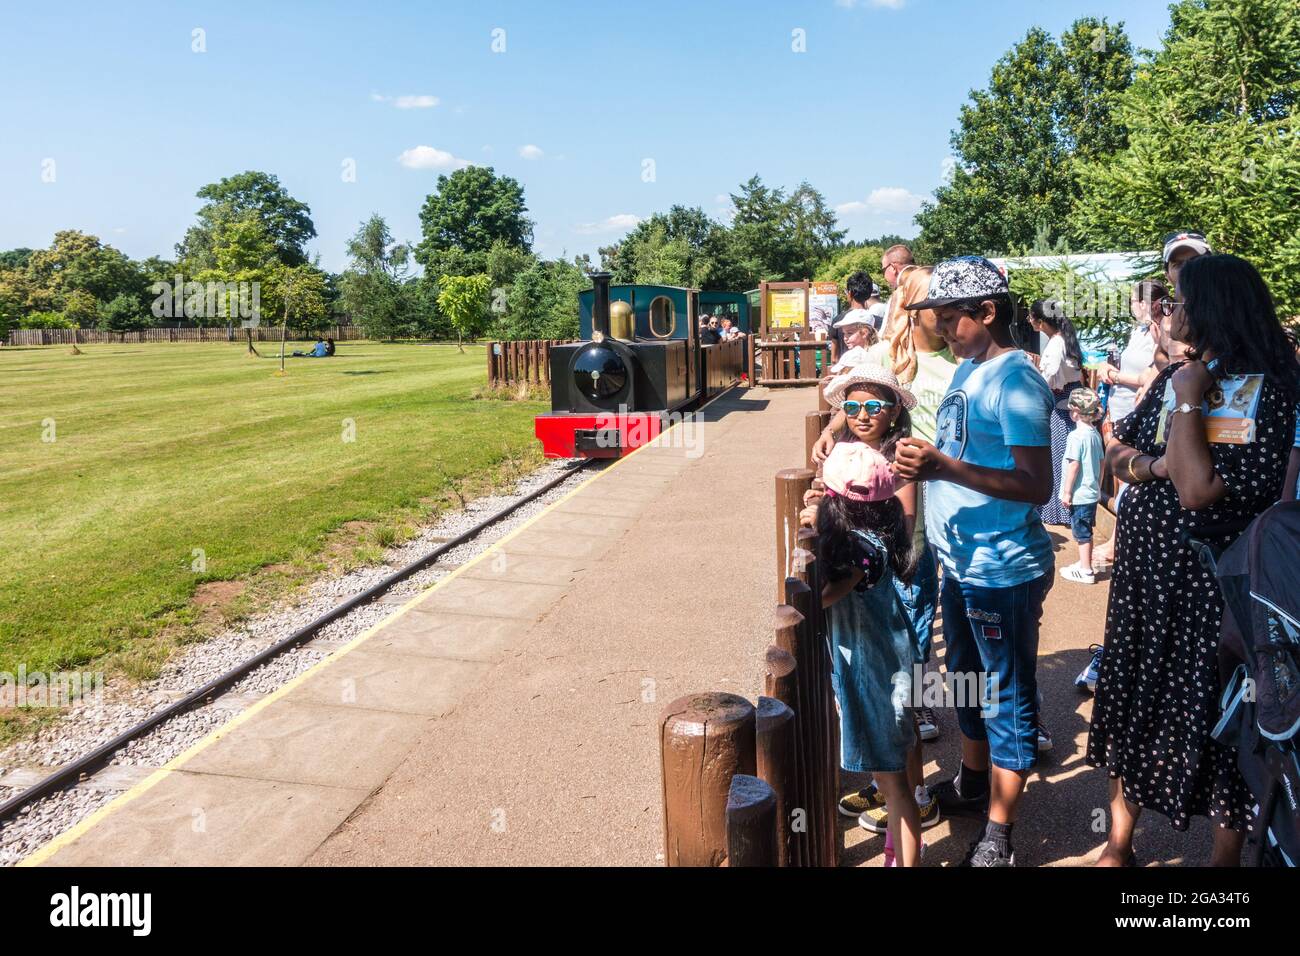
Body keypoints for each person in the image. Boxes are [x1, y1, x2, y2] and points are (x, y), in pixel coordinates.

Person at [1086, 253, 1300, 867]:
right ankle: (1116, 846)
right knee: (1132, 695)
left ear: (1213, 308)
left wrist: (1185, 405)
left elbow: (1198, 491)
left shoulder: (1264, 393)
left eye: (1178, 302)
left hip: (1216, 589)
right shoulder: (1182, 376)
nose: (1168, 312)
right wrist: (1153, 463)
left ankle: (1222, 866)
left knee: (1225, 720)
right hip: (1147, 579)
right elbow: (1116, 452)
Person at [891, 255, 1056, 867]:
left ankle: (1000, 836)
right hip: (963, 563)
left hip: (1002, 567)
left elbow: (1036, 484)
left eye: (948, 317)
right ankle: (973, 780)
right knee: (964, 678)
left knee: (1005, 696)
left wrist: (942, 467)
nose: (937, 327)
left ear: (986, 312)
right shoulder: (969, 368)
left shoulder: (1016, 379)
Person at [801, 383, 924, 865]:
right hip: (887, 661)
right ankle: (896, 848)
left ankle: (905, 855)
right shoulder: (881, 530)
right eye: (851, 407)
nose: (860, 414)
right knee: (896, 779)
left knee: (896, 786)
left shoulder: (856, 555)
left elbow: (821, 598)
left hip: (879, 675)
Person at [1093, 281, 1166, 567]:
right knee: (1124, 477)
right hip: (1122, 409)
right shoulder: (1139, 331)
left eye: (1134, 301)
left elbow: (1152, 377)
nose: (1131, 307)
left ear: (1147, 303)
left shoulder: (1160, 333)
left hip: (1139, 415)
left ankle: (1118, 543)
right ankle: (1123, 539)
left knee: (1132, 477)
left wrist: (1113, 375)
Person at [1028, 299, 1085, 527]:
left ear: (1040, 322)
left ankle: (1058, 511)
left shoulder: (1055, 343)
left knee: (1059, 455)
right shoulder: (1064, 339)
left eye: (1031, 317)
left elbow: (1050, 376)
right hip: (1068, 400)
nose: (1029, 320)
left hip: (1060, 402)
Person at [1058, 388, 1104, 585]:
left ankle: (1086, 571)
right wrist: (1098, 486)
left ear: (1076, 412)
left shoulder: (1076, 436)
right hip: (1091, 492)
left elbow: (1073, 465)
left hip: (1079, 494)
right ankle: (1085, 563)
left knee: (1082, 533)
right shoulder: (1094, 434)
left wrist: (1067, 492)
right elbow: (1102, 463)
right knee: (1086, 531)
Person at [828, 272, 874, 362]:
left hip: (846, 370)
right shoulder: (877, 320)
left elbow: (834, 357)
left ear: (849, 293)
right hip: (872, 370)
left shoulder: (839, 320)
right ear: (869, 293)